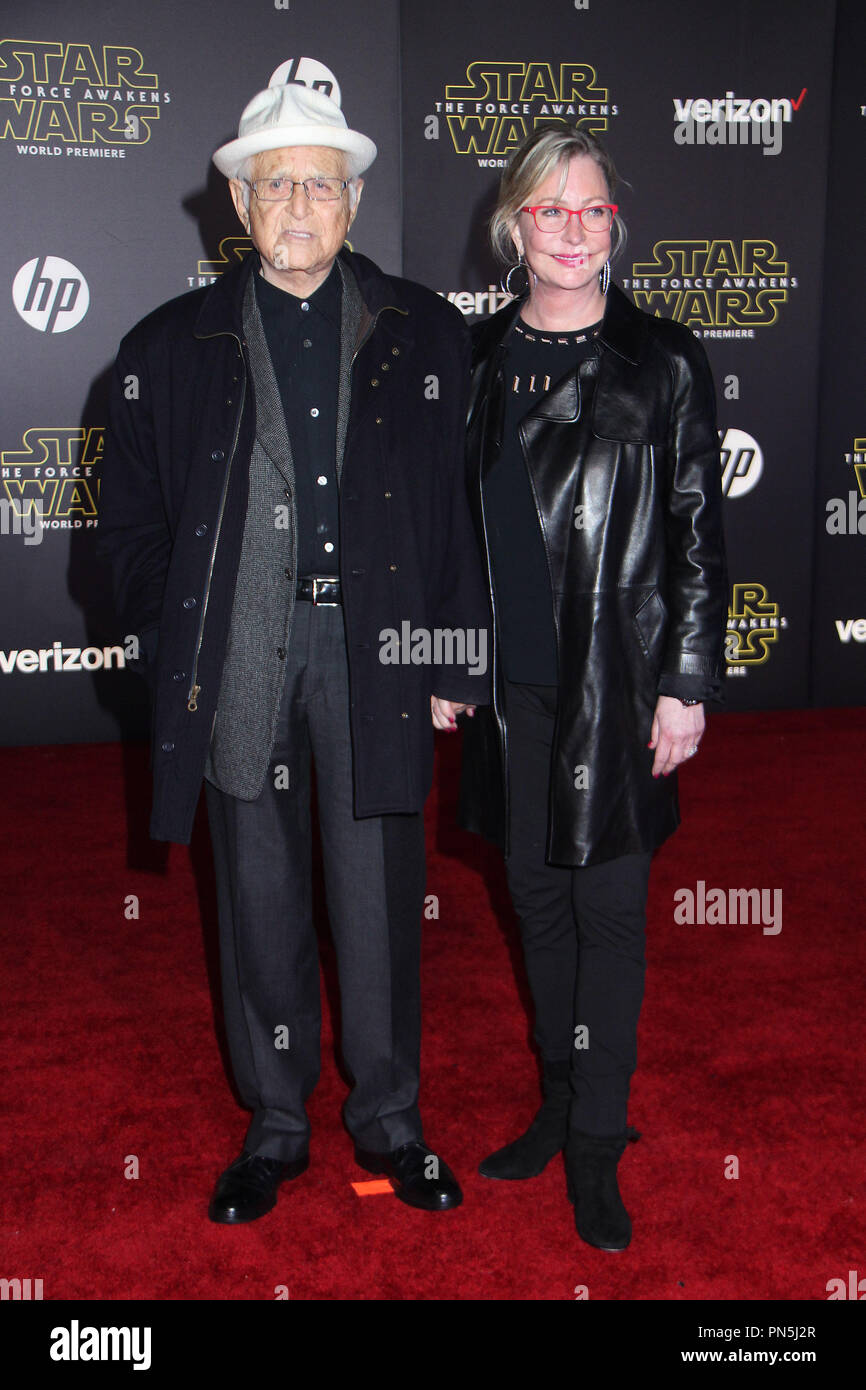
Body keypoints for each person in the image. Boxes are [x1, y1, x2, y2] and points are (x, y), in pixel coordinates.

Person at [97, 82, 489, 1223]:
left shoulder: (425, 332)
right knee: (258, 894)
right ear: (238, 199)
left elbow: (458, 510)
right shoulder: (168, 347)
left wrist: (450, 661)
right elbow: (125, 531)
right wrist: (182, 645)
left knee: (378, 894)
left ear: (355, 199)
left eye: (321, 180)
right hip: (241, 654)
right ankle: (274, 1127)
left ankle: (390, 1120)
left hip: (377, 646)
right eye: (277, 182)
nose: (299, 201)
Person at [458, 124, 728, 1250]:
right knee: (537, 904)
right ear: (514, 225)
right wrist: (447, 659)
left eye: (591, 209)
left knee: (609, 915)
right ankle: (558, 1101)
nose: (571, 229)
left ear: (612, 228)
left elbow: (698, 534)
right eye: (548, 208)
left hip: (619, 689)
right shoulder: (473, 362)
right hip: (512, 689)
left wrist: (685, 680)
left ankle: (596, 1141)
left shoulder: (660, 360)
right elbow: (445, 534)